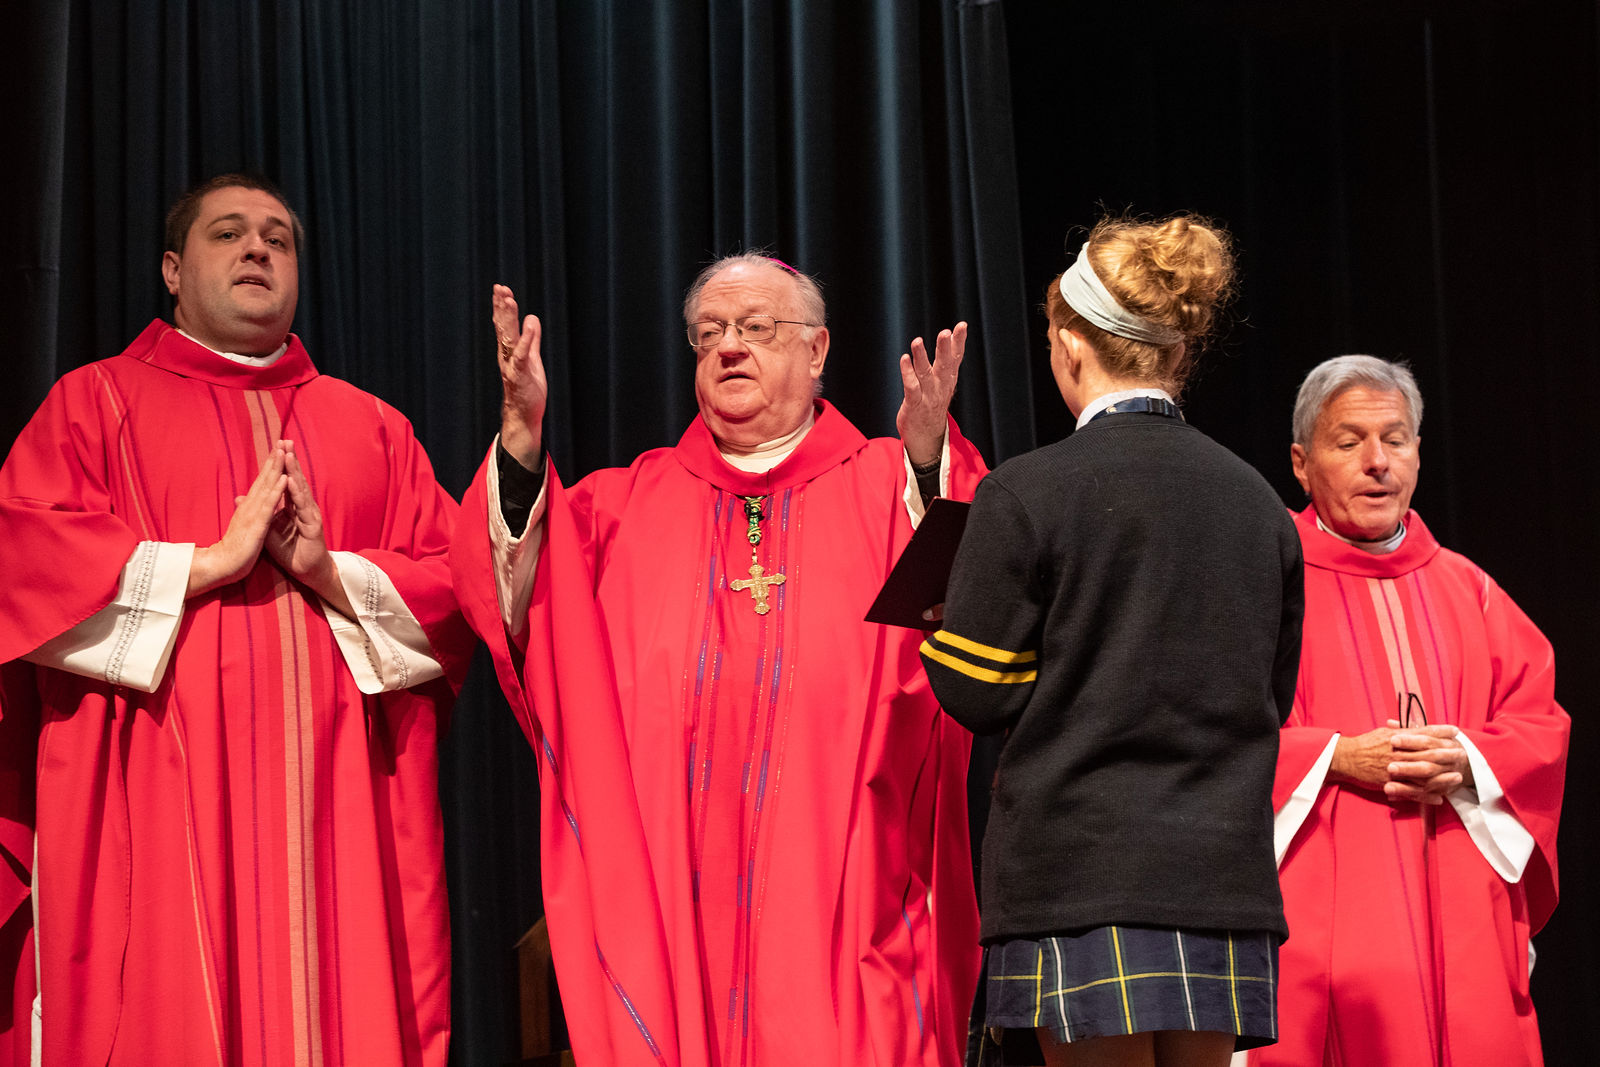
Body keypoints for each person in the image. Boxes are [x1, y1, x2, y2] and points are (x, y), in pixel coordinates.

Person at [450, 253, 986, 1065]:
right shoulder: (623, 505)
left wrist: (926, 458)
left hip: (845, 881)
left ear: (817, 350)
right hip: (674, 885)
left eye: (757, 328)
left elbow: (966, 608)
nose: (730, 347)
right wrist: (522, 440)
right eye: (710, 334)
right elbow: (517, 598)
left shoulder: (886, 483)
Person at [0, 174, 473, 1066]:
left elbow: (456, 602)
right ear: (173, 271)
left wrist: (328, 572)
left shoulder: (373, 428)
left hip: (338, 813)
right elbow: (19, 564)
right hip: (148, 792)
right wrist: (203, 565)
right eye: (229, 234)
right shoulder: (92, 405)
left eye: (277, 239)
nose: (258, 249)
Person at [919, 216, 1302, 1067]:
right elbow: (1268, 694)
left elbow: (978, 691)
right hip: (1219, 882)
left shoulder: (1028, 492)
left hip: (1082, 876)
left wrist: (948, 629)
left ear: (1069, 344)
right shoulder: (1258, 504)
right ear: (1174, 352)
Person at [1248, 356, 1568, 1067]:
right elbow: (1213, 729)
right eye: (1349, 440)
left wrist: (1470, 758)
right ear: (1301, 463)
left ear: (1419, 452)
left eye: (1395, 439)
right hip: (1327, 919)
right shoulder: (1264, 588)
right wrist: (1334, 754)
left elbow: (1540, 725)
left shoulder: (1472, 589)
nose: (1376, 462)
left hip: (1461, 909)